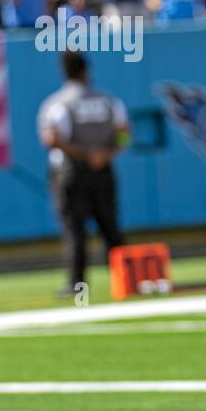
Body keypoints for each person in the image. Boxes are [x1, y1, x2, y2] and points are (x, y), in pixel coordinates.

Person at [36, 52, 129, 294]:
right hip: (103, 169)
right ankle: (126, 278)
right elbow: (124, 133)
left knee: (74, 230)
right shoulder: (109, 100)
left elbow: (51, 138)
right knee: (110, 226)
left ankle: (77, 285)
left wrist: (83, 154)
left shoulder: (58, 103)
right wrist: (105, 154)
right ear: (86, 71)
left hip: (70, 172)